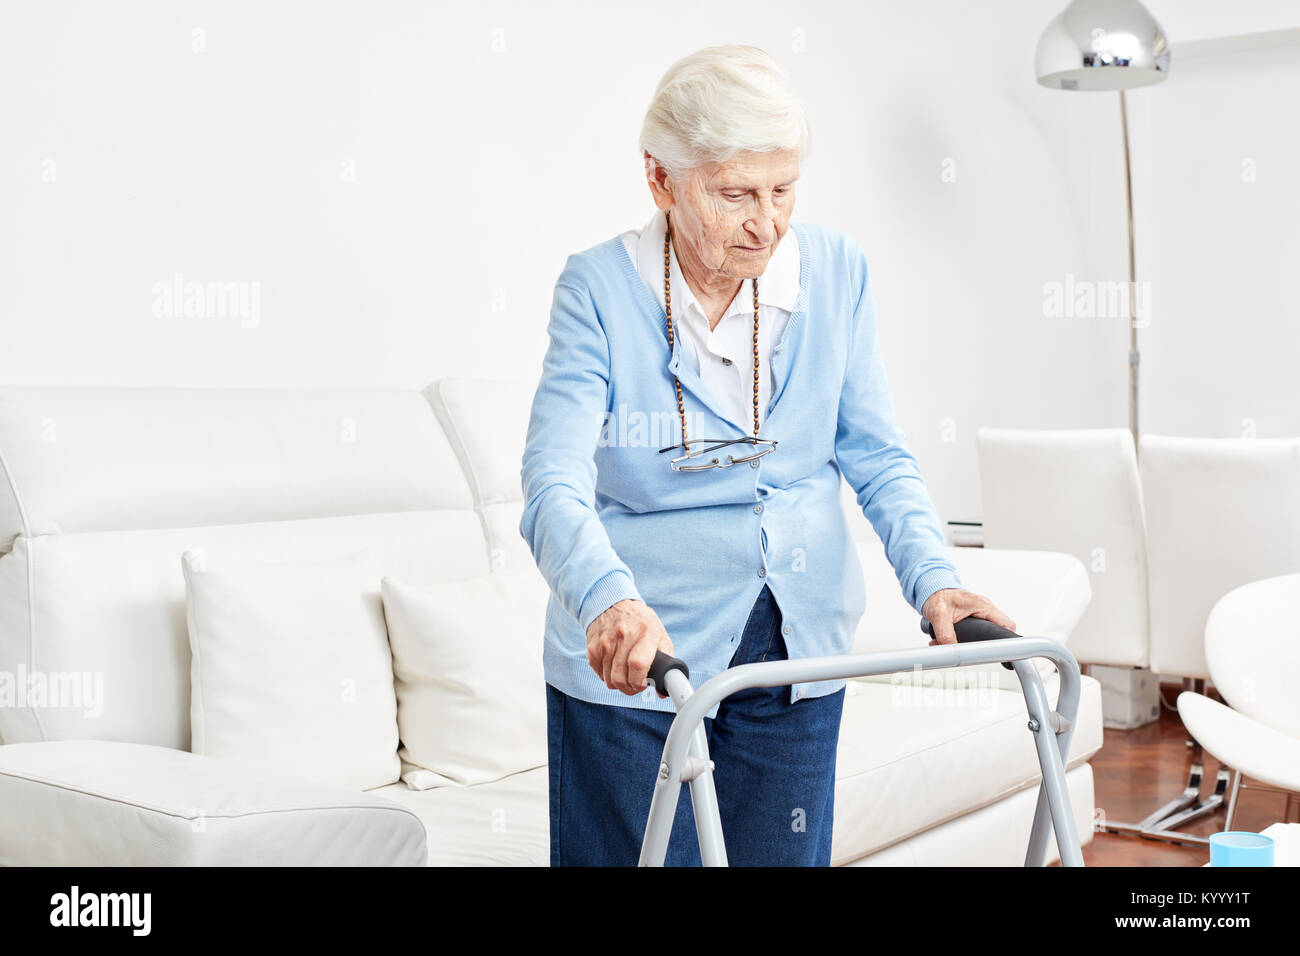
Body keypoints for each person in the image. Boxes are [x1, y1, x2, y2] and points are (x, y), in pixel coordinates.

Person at [520, 44, 1016, 866]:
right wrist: (610, 602)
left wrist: (936, 577)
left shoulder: (837, 275)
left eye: (783, 190)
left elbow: (876, 453)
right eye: (735, 194)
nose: (767, 222)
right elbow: (551, 483)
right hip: (645, 655)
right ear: (660, 179)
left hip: (797, 646)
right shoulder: (598, 291)